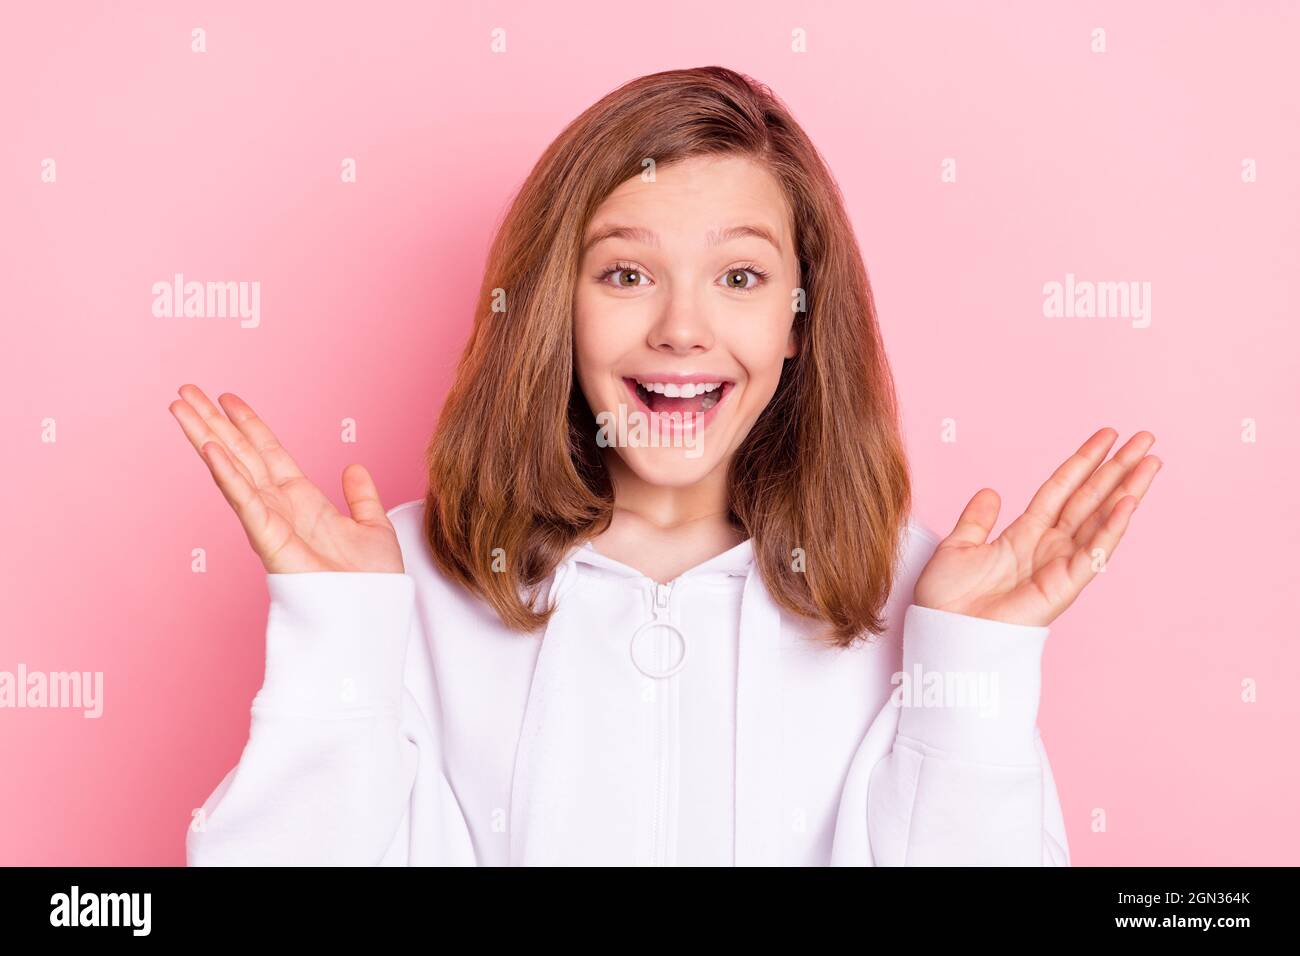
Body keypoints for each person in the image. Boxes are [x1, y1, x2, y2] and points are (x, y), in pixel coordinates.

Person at [170, 66, 1160, 866]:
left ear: (798, 323)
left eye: (739, 277)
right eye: (626, 273)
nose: (683, 328)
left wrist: (970, 676)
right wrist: (336, 645)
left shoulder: (918, 596)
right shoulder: (394, 580)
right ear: (555, 305)